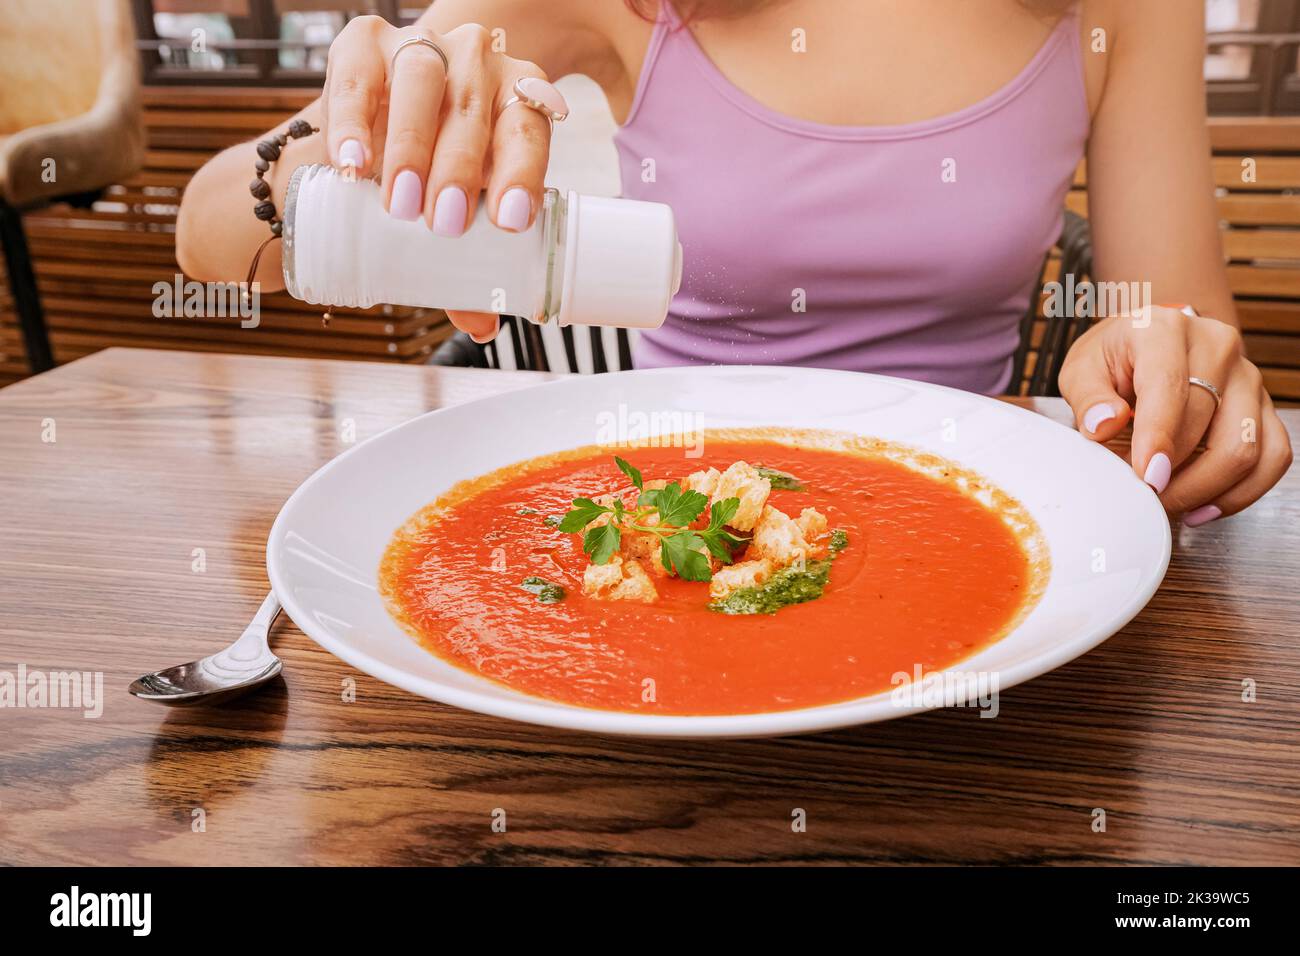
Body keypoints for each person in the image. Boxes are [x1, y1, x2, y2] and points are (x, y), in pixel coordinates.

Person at [177, 0, 1292, 525]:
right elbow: (213, 236)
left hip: (972, 518)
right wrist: (351, 129)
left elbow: (1170, 321)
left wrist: (1177, 371)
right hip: (677, 519)